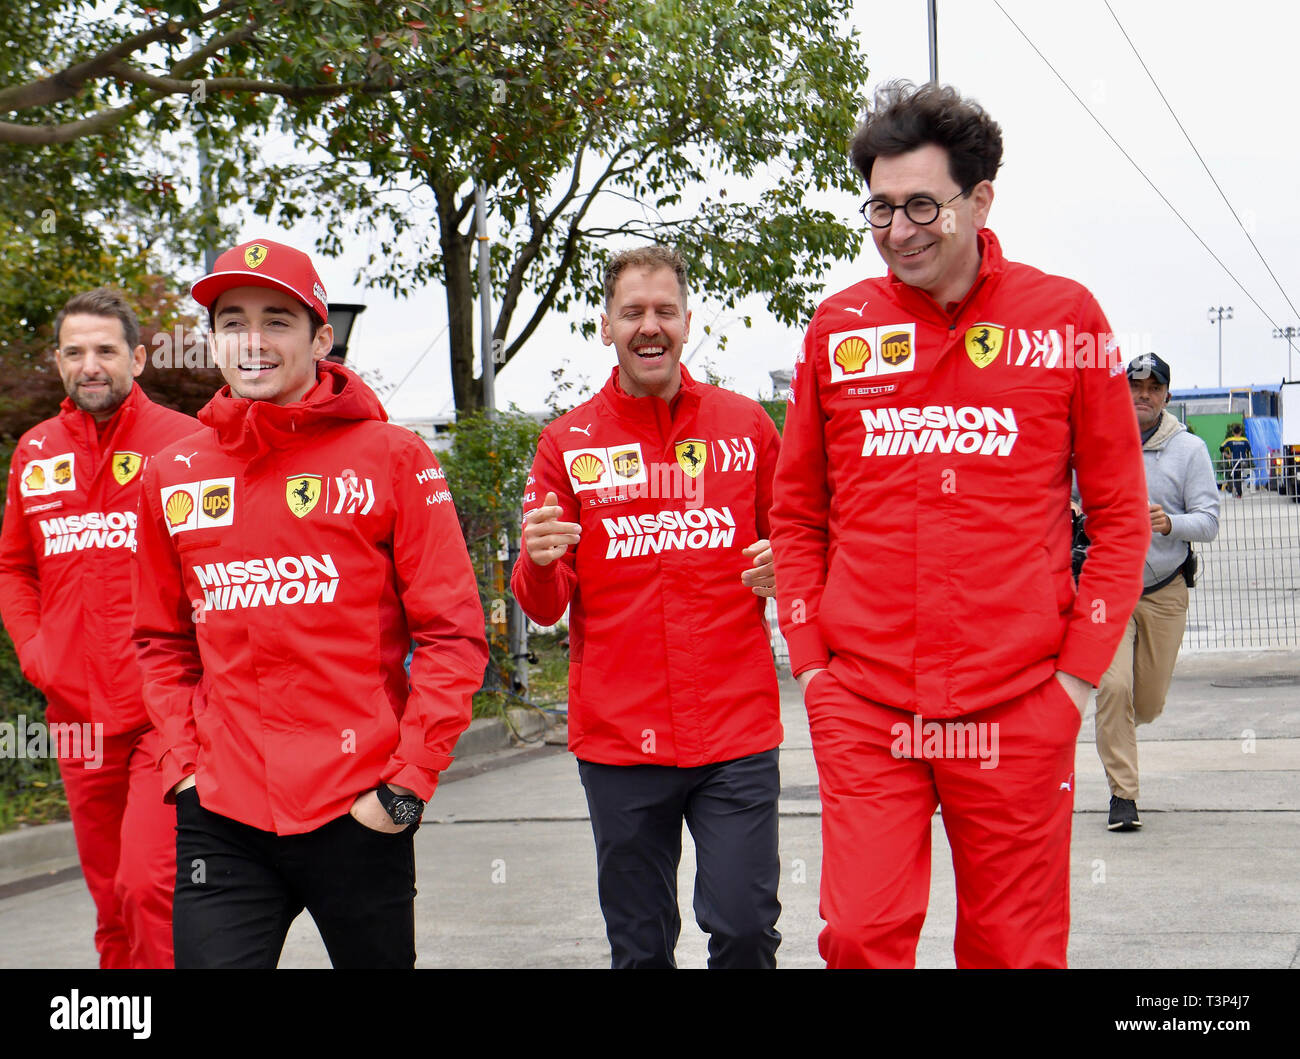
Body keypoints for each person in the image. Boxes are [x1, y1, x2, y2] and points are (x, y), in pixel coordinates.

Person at [770, 81, 1150, 969]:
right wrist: (815, 668)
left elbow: (1123, 516)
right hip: (865, 703)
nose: (898, 231)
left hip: (1019, 703)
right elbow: (796, 515)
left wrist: (1074, 684)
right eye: (880, 207)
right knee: (858, 937)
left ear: (980, 199)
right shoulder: (841, 327)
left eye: (922, 206)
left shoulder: (1066, 321)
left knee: (1015, 952)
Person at [131, 238, 488, 968]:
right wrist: (184, 766)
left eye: (277, 320)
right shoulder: (172, 474)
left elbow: (453, 635)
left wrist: (407, 784)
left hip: (359, 806)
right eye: (232, 320)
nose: (252, 340)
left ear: (322, 338)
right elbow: (159, 640)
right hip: (223, 813)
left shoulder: (393, 456)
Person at [511, 245, 784, 968]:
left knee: (747, 924)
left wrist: (788, 569)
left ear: (688, 321)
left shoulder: (747, 426)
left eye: (664, 309)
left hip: (735, 732)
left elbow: (805, 546)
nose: (650, 325)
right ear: (607, 326)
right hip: (620, 740)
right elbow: (544, 605)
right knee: (639, 945)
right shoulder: (565, 445)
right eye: (633, 311)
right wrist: (537, 563)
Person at [0, 288, 199, 968]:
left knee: (150, 887)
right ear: (57, 361)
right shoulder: (35, 452)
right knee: (111, 903)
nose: (91, 365)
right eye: (75, 351)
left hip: (161, 716)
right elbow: (14, 569)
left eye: (106, 350)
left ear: (138, 358)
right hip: (77, 716)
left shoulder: (184, 444)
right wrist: (37, 652)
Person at [1096, 354, 1219, 831]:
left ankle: (1122, 725)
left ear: (1167, 395)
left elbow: (1208, 522)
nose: (1142, 395)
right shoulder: (1099, 442)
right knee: (1113, 687)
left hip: (1165, 589)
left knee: (1145, 703)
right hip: (1108, 588)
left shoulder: (1189, 450)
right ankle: (1122, 797)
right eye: (1134, 386)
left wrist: (1171, 521)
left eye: (1153, 387)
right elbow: (1068, 494)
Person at [1219, 422, 1252, 498]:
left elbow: (1221, 448)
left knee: (1236, 477)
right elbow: (1249, 450)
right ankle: (1242, 489)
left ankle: (1239, 494)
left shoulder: (1229, 440)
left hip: (1235, 462)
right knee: (1242, 475)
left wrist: (1227, 455)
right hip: (1243, 461)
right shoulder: (1245, 440)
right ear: (1241, 432)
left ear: (1233, 432)